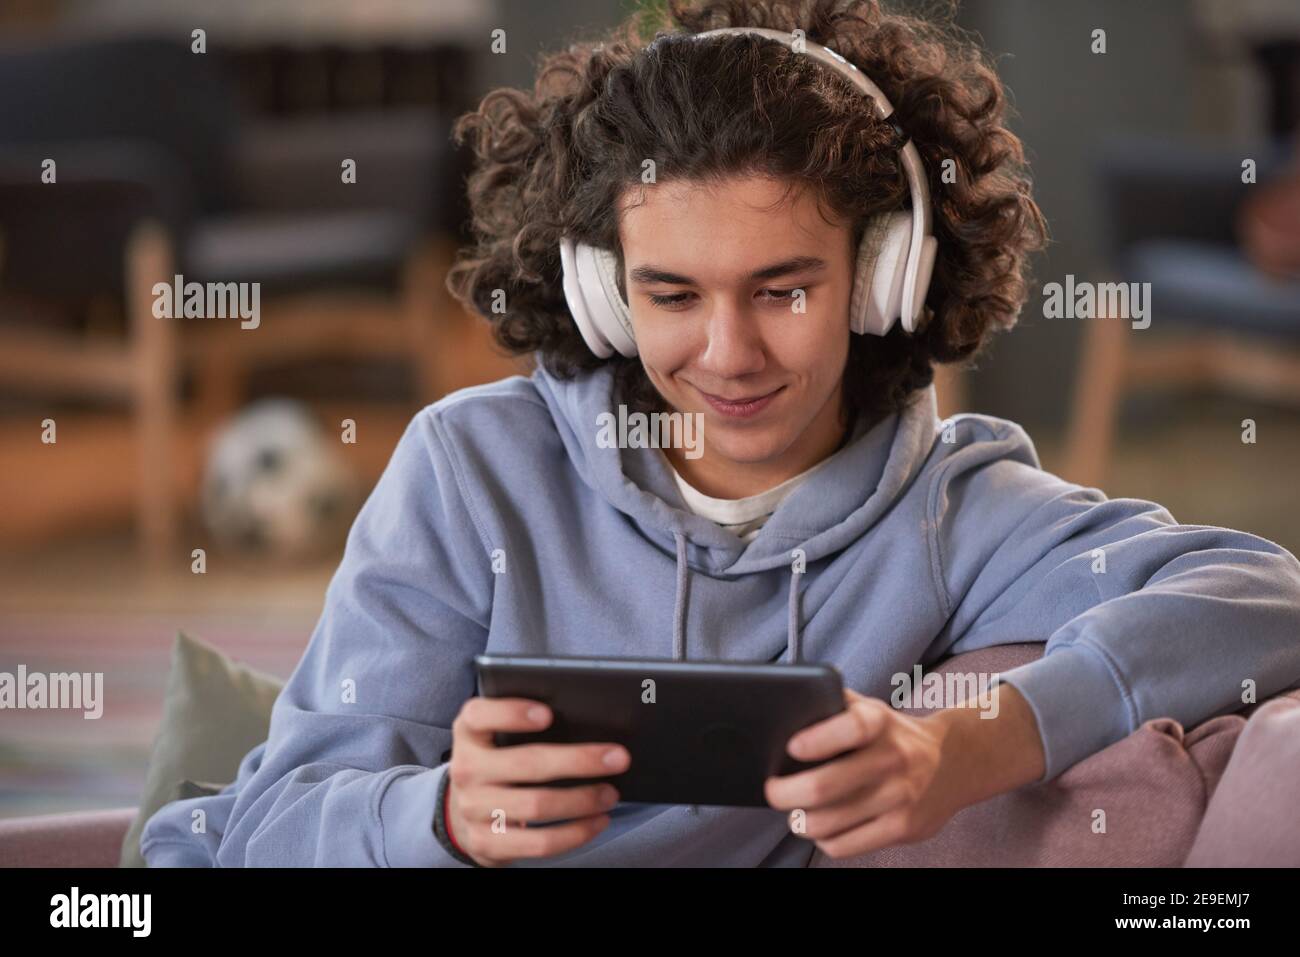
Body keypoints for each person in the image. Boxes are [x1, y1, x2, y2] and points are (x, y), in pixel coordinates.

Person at [141, 0, 1300, 868]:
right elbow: (273, 823)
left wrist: (981, 745)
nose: (728, 355)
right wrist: (438, 817)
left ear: (882, 278)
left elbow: (1263, 598)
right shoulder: (472, 470)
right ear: (604, 294)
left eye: (784, 290)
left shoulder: (954, 510)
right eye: (673, 295)